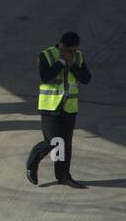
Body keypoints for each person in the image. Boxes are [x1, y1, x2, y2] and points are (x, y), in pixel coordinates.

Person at [26, 31, 92, 187]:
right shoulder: (47, 55)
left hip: (69, 108)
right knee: (53, 141)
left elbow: (86, 79)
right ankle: (32, 163)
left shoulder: (78, 57)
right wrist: (62, 62)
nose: (73, 53)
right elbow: (45, 77)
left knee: (65, 143)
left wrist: (73, 65)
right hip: (50, 106)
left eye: (75, 50)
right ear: (62, 46)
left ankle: (63, 176)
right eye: (70, 50)